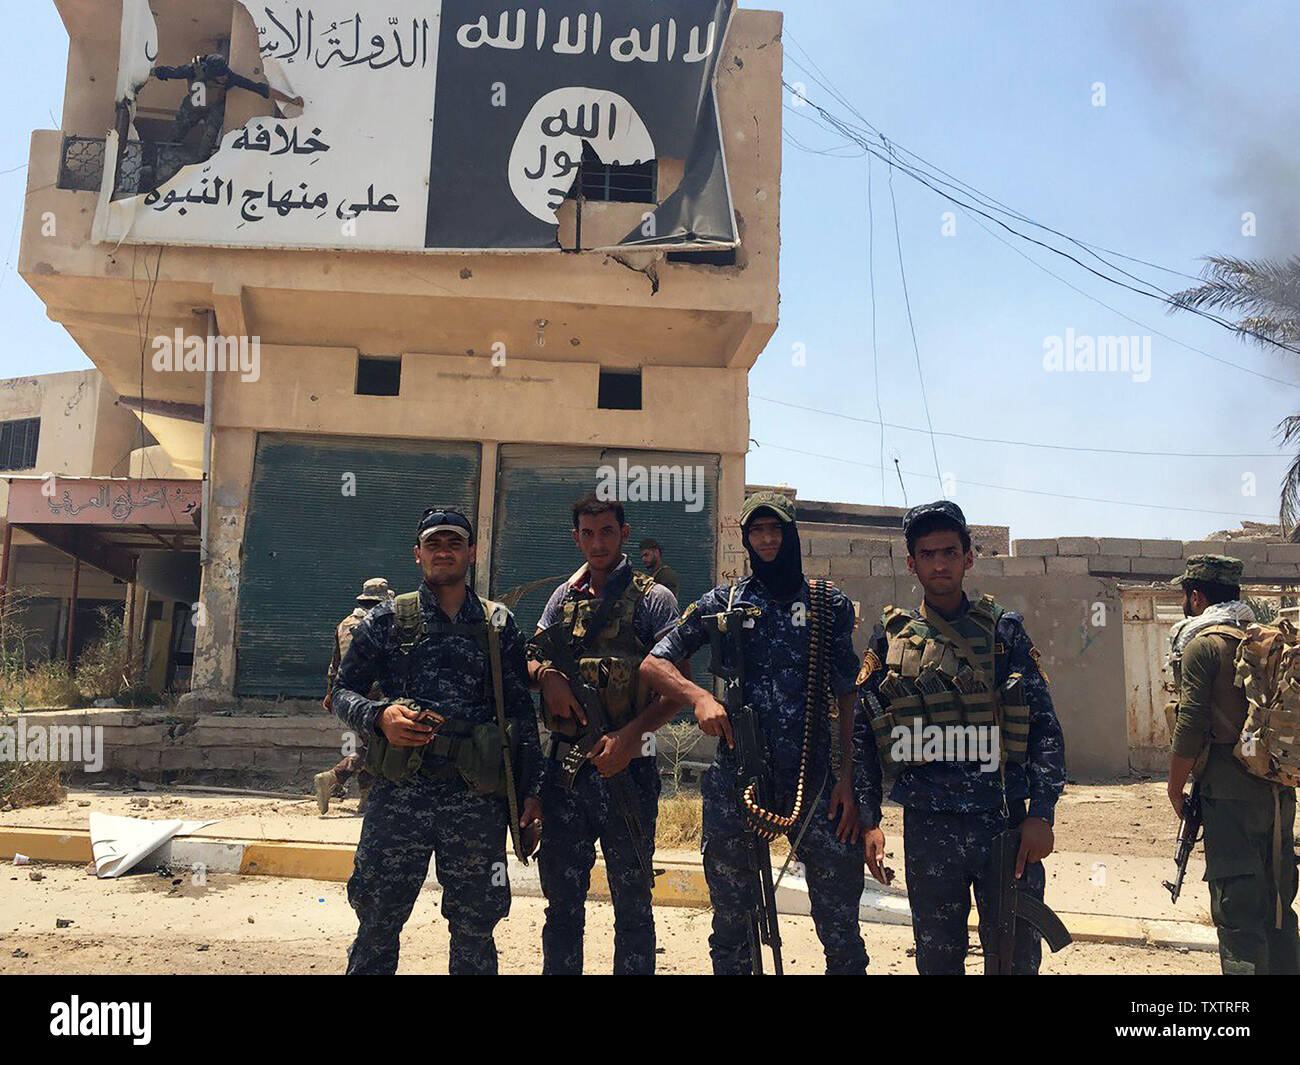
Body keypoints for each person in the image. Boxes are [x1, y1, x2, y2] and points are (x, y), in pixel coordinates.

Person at [641, 490, 872, 974]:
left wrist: (850, 780)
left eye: (775, 529)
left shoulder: (827, 603)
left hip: (815, 783)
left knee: (840, 926)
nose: (767, 539)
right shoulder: (723, 603)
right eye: (757, 531)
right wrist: (700, 697)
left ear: (791, 534)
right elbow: (654, 662)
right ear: (747, 539)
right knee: (731, 923)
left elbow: (848, 694)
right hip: (739, 777)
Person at [855, 500, 1066, 975]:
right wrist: (870, 821)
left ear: (969, 557)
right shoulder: (890, 640)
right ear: (912, 563)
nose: (940, 563)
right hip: (931, 824)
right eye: (927, 554)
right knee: (938, 960)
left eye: (950, 552)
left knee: (1013, 957)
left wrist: (1042, 815)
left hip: (1005, 822)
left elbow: (1044, 728)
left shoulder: (1004, 633)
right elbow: (862, 735)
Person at [331, 506, 542, 975]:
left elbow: (521, 714)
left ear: (470, 552)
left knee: (475, 926)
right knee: (378, 918)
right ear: (417, 554)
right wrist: (379, 715)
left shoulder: (498, 625)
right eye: (433, 543)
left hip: (475, 799)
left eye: (453, 543)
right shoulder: (386, 620)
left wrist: (532, 793)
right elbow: (341, 693)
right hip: (400, 793)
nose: (443, 552)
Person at [527, 493, 683, 974]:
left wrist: (630, 737)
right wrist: (546, 678)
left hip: (629, 773)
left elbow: (677, 685)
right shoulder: (563, 597)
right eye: (588, 534)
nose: (598, 543)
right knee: (562, 907)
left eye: (607, 532)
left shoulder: (654, 599)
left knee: (633, 906)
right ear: (576, 538)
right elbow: (530, 653)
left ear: (625, 535)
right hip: (568, 775)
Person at [1167, 554, 1299, 975]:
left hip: (1229, 795)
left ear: (1196, 595)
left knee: (1238, 911)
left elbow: (1189, 726)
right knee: (1278, 908)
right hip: (1279, 790)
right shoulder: (1263, 641)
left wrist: (1175, 787)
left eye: (1186, 595)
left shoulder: (1202, 646)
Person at [314, 577, 391, 815]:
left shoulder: (344, 623)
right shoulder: (380, 623)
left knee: (374, 744)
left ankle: (366, 798)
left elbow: (335, 664)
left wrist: (330, 694)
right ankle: (333, 778)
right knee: (379, 745)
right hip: (376, 695)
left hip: (349, 696)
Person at [152, 53, 301, 158]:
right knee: (175, 135)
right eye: (219, 75)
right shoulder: (193, 70)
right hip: (192, 106)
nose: (224, 78)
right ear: (210, 73)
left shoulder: (230, 77)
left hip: (213, 109)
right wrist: (151, 72)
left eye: (224, 74)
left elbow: (259, 88)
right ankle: (164, 157)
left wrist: (291, 100)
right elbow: (171, 72)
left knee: (209, 137)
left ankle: (201, 162)